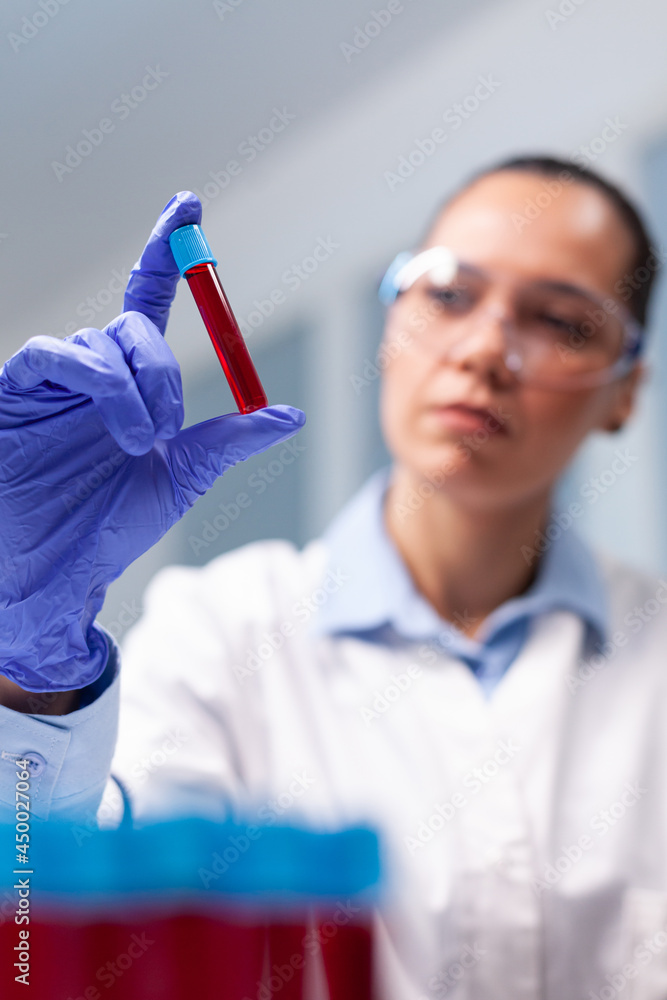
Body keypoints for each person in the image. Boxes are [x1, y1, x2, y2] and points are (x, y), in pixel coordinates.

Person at [1, 156, 666, 1000]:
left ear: (624, 392)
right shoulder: (220, 632)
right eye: (450, 293)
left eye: (562, 321)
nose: (484, 349)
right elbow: (54, 936)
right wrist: (30, 681)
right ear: (393, 325)